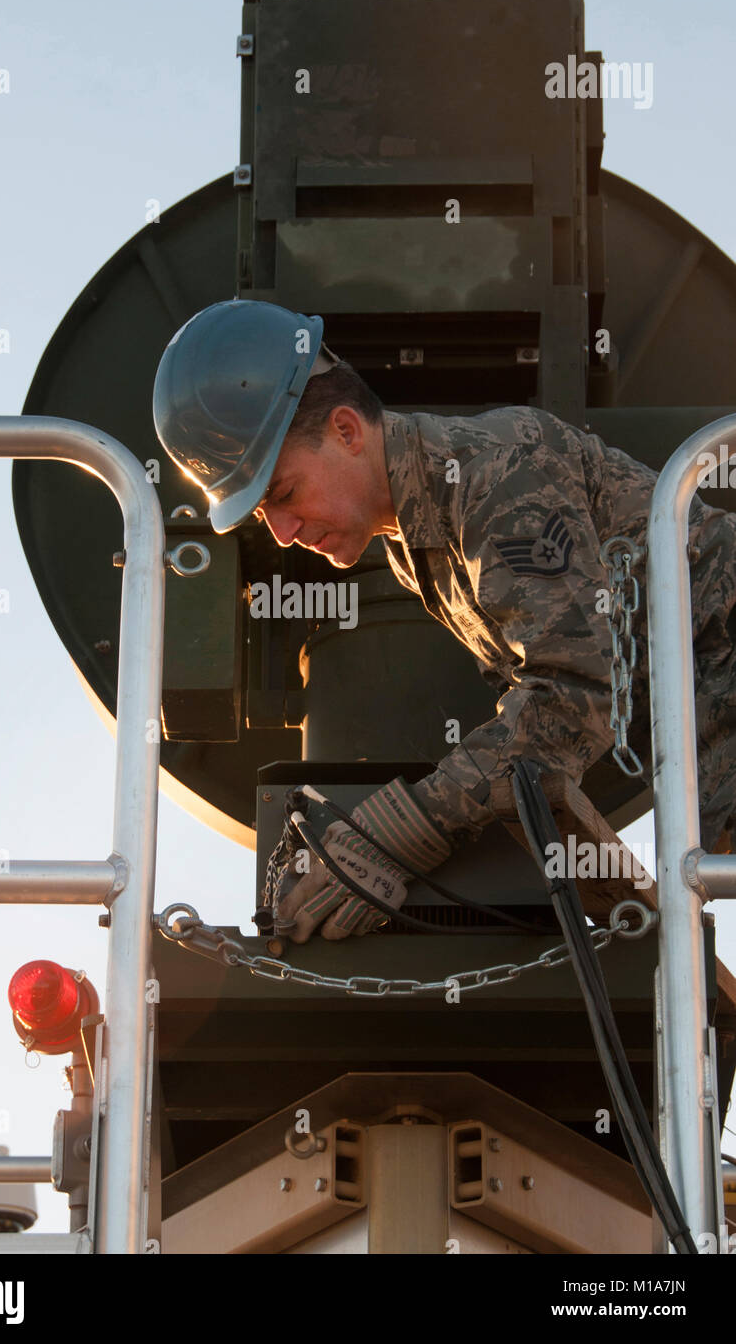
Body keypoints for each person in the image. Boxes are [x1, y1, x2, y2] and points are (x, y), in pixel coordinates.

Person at [153, 298, 736, 943]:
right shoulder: (412, 546)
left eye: (284, 494)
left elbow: (574, 693)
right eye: (264, 515)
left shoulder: (499, 471)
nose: (284, 534)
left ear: (347, 431)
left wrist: (405, 828)